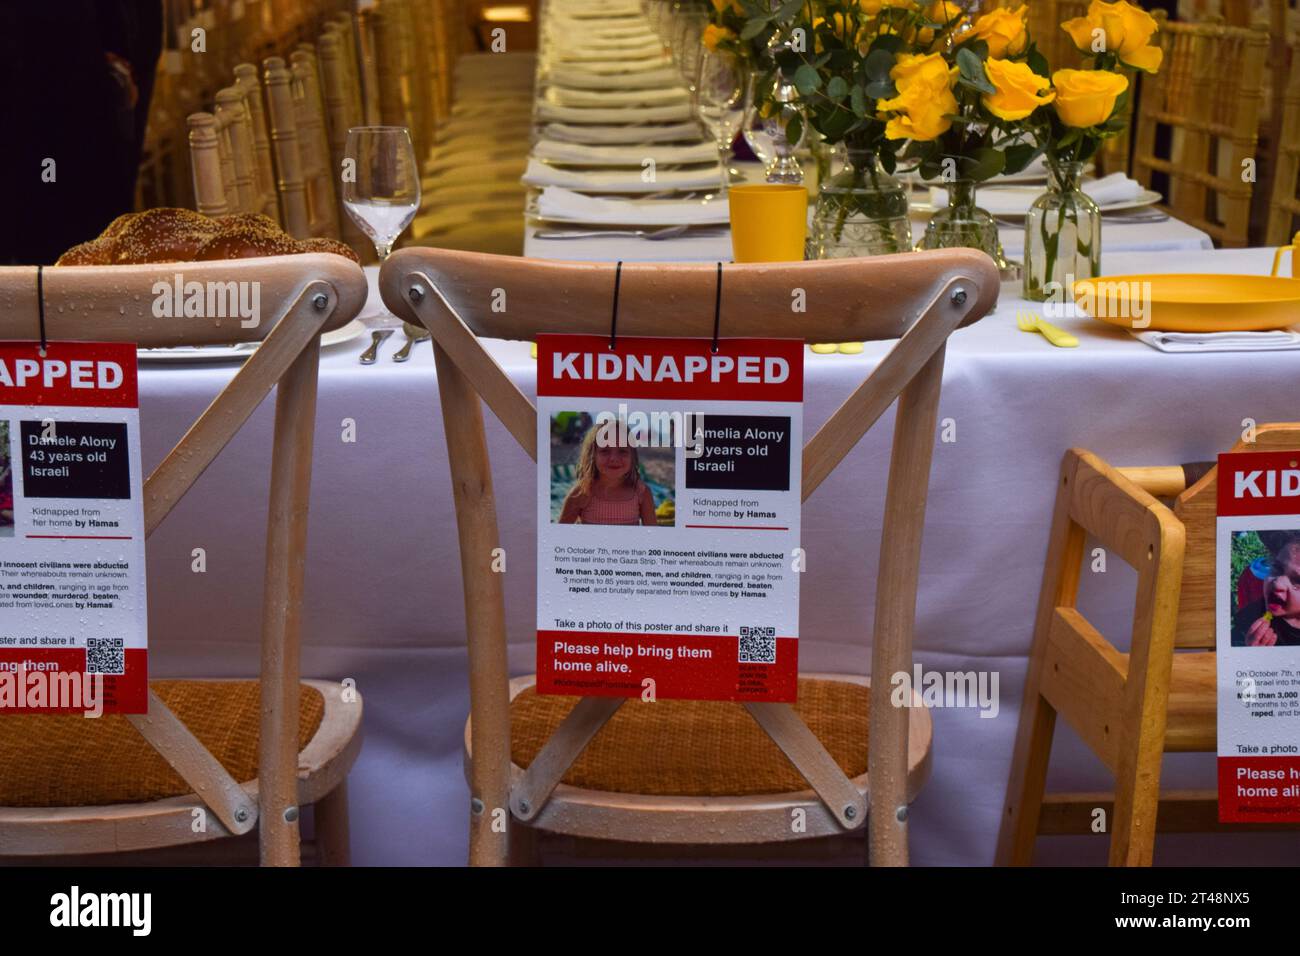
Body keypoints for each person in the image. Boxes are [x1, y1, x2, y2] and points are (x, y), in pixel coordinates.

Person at [558, 428, 657, 526]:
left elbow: (653, 537)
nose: (614, 458)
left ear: (632, 457)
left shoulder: (641, 493)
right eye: (605, 451)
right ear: (592, 455)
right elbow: (560, 536)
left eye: (622, 451)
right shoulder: (581, 493)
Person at [1232, 536, 1300, 647]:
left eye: (1297, 581)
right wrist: (1249, 652)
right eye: (1277, 568)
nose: (1277, 584)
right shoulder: (1250, 618)